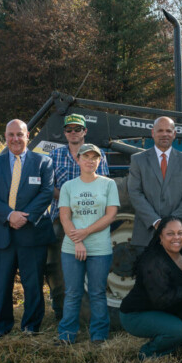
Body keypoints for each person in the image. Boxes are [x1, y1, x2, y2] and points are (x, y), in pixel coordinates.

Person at [0, 119, 55, 338]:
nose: (15, 139)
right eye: (11, 135)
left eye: (19, 134)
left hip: (32, 233)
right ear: (5, 136)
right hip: (1, 233)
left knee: (32, 284)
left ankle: (31, 328)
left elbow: (46, 193)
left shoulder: (43, 162)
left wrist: (26, 217)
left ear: (28, 135)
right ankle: (1, 327)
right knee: (2, 284)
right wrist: (9, 215)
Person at [45, 113, 109, 322]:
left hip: (92, 220)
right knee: (57, 267)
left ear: (85, 132)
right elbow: (49, 187)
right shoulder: (55, 155)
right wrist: (69, 200)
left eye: (77, 129)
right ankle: (60, 310)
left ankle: (94, 314)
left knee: (96, 268)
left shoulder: (96, 154)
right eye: (69, 129)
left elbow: (105, 184)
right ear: (65, 133)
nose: (73, 133)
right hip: (62, 218)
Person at [119, 217, 182, 360]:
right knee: (177, 330)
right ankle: (147, 354)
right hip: (136, 314)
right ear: (160, 237)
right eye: (170, 234)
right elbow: (162, 301)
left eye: (180, 233)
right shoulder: (154, 262)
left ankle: (170, 348)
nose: (176, 237)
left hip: (162, 310)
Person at [57, 144, 119, 345]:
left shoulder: (108, 184)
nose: (90, 160)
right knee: (73, 292)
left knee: (97, 292)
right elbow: (65, 217)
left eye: (94, 157)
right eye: (86, 157)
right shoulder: (68, 186)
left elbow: (111, 215)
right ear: (78, 159)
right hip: (71, 248)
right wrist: (78, 241)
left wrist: (85, 233)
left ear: (99, 161)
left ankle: (99, 335)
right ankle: (67, 334)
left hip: (100, 249)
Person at [127, 116, 182, 255]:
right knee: (146, 275)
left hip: (178, 236)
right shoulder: (138, 160)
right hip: (146, 234)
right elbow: (135, 193)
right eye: (160, 130)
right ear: (153, 133)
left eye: (168, 130)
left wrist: (171, 224)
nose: (164, 134)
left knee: (177, 276)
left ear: (174, 134)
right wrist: (155, 221)